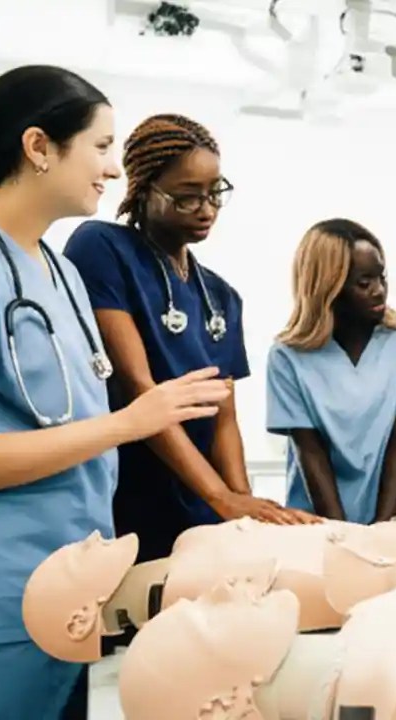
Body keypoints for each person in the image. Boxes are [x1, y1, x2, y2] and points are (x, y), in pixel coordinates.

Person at [0, 65, 232, 719]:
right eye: (100, 146)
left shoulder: (57, 268)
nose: (114, 169)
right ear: (38, 148)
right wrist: (130, 422)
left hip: (70, 594)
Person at [63, 113, 315, 564]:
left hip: (203, 505)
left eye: (214, 193)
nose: (206, 209)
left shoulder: (222, 296)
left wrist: (243, 510)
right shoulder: (102, 248)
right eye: (186, 197)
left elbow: (223, 417)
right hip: (129, 499)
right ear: (143, 190)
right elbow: (136, 387)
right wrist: (221, 497)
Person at [266, 219, 396, 523]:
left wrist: (384, 529)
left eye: (381, 278)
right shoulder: (287, 357)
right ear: (327, 287)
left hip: (386, 519)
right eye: (364, 282)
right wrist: (341, 534)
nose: (379, 291)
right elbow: (310, 451)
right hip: (315, 523)